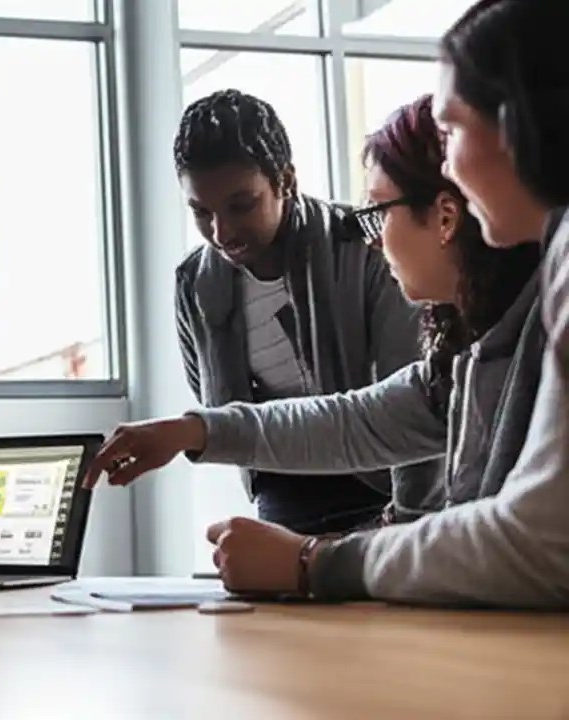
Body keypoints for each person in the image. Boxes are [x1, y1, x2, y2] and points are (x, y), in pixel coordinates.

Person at [200, 0, 569, 607]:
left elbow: (540, 541)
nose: (450, 166)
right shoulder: (475, 345)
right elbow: (356, 419)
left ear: (518, 127)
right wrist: (201, 430)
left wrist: (312, 560)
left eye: (453, 130)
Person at [87, 95, 544, 524]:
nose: (372, 238)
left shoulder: (535, 343)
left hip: (382, 495)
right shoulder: (458, 365)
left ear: (446, 217)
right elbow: (357, 420)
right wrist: (193, 430)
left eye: (379, 212)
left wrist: (327, 555)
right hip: (290, 485)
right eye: (202, 212)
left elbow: (504, 542)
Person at [169, 89, 436, 532]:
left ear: (286, 182)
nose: (221, 231)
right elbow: (208, 390)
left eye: (241, 205)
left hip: (382, 482)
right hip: (283, 486)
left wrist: (411, 524)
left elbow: (414, 404)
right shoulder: (193, 284)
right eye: (201, 211)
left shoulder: (366, 247)